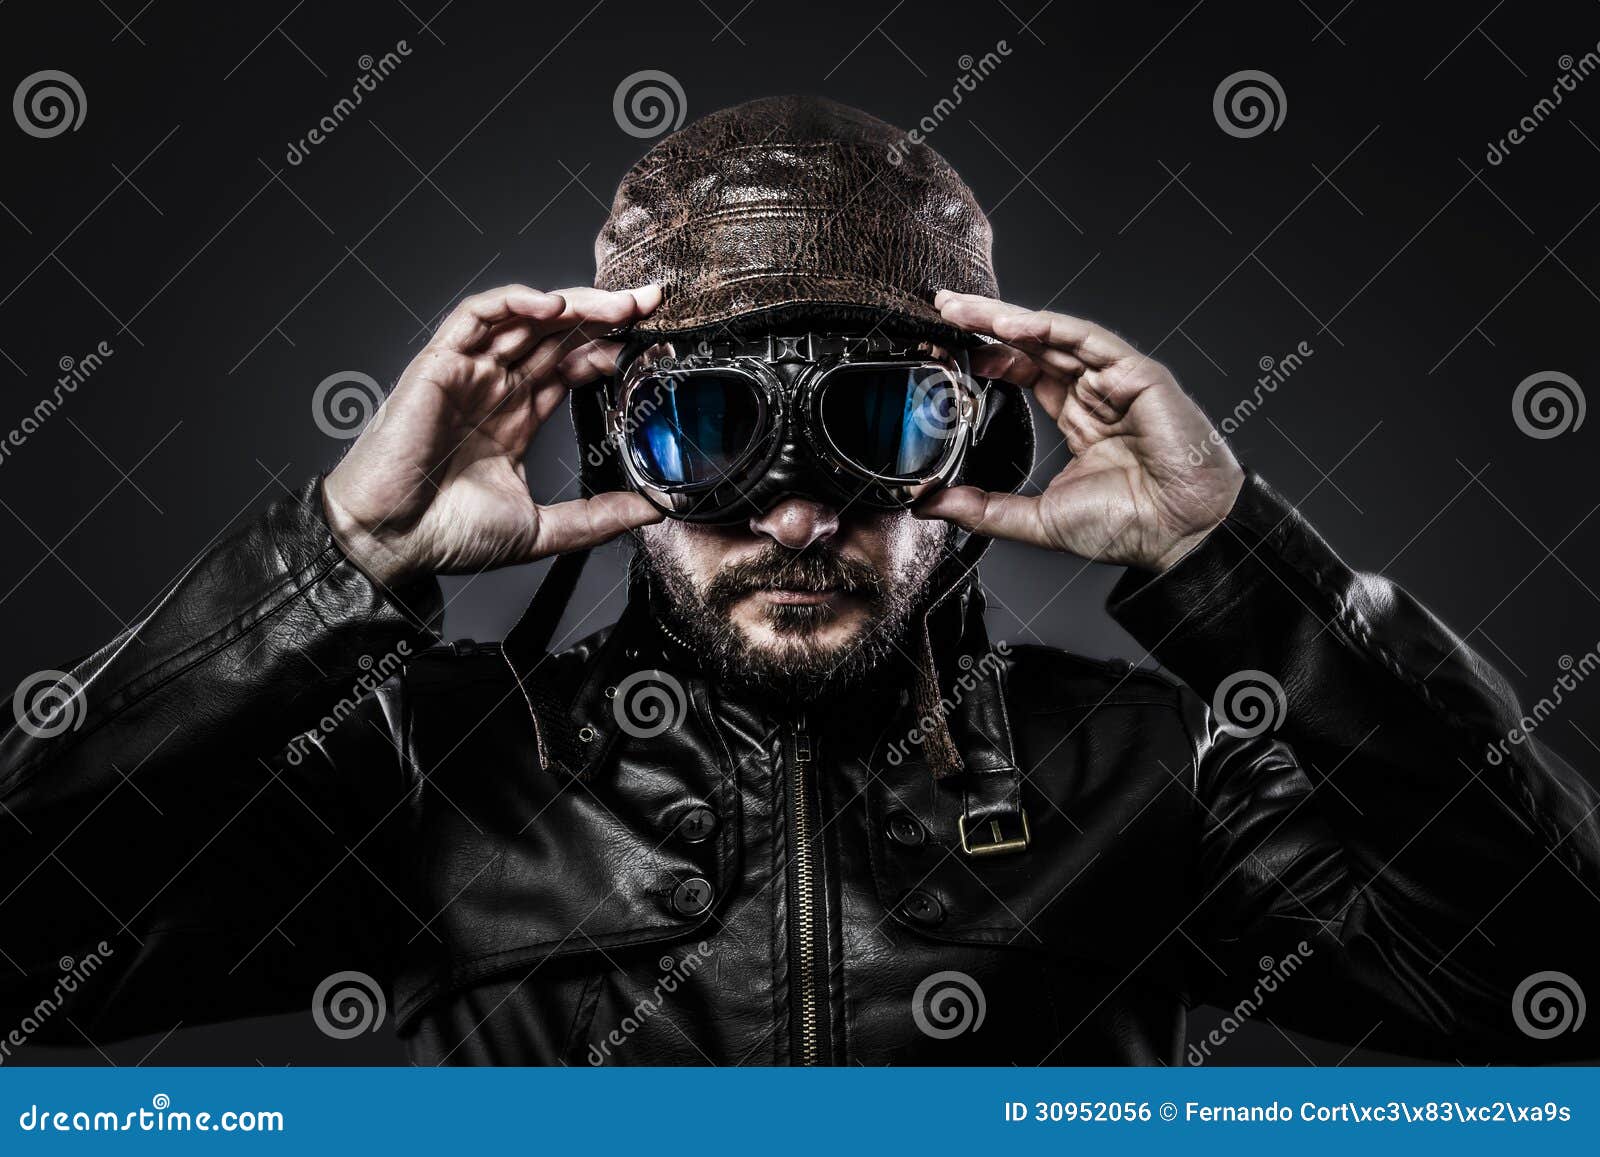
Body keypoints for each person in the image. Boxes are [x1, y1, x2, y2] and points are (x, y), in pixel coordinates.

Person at [2, 95, 1595, 1066]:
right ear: (617, 448)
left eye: (880, 425)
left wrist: (1232, 555)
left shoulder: (1144, 770)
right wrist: (337, 564)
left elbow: (1555, 986)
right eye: (707, 429)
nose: (791, 513)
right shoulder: (441, 764)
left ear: (976, 441)